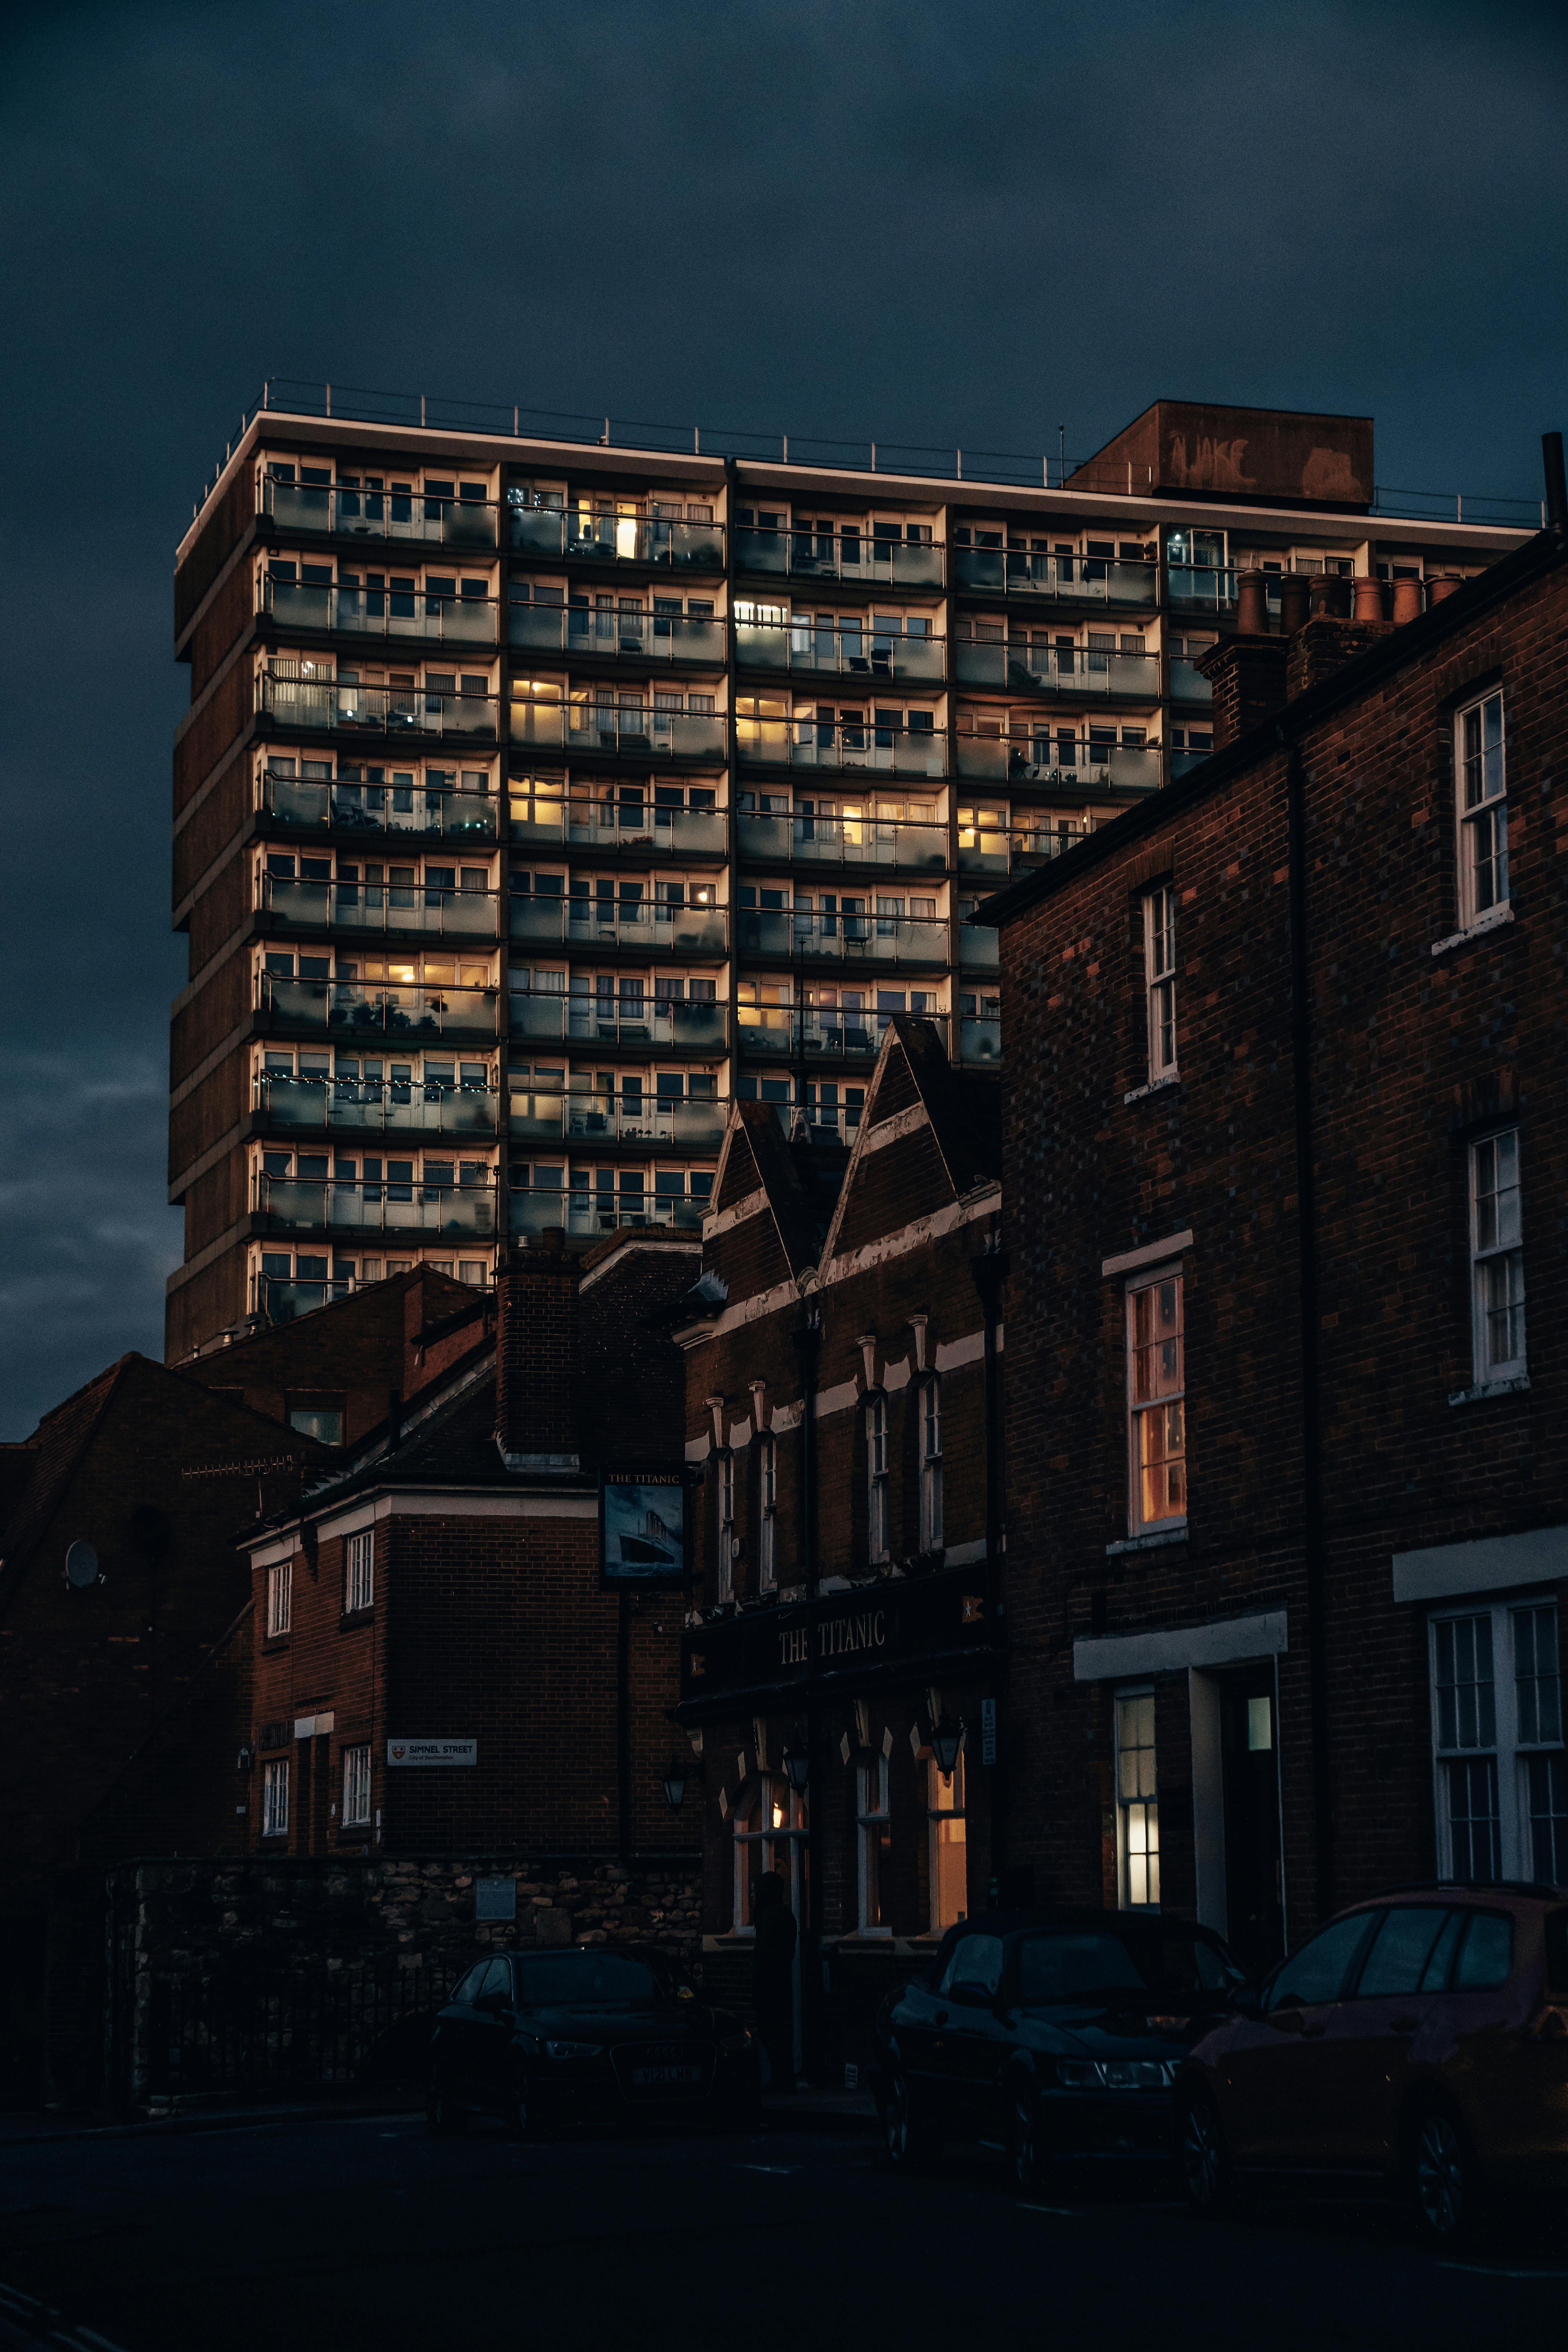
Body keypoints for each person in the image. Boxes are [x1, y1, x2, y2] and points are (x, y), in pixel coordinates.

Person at [752, 1870, 797, 2092]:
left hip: (770, 1984)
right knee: (781, 2030)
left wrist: (757, 1976)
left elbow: (765, 1954)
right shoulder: (786, 1915)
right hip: (781, 1981)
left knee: (771, 2030)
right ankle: (784, 2075)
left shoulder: (769, 1917)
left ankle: (781, 2077)